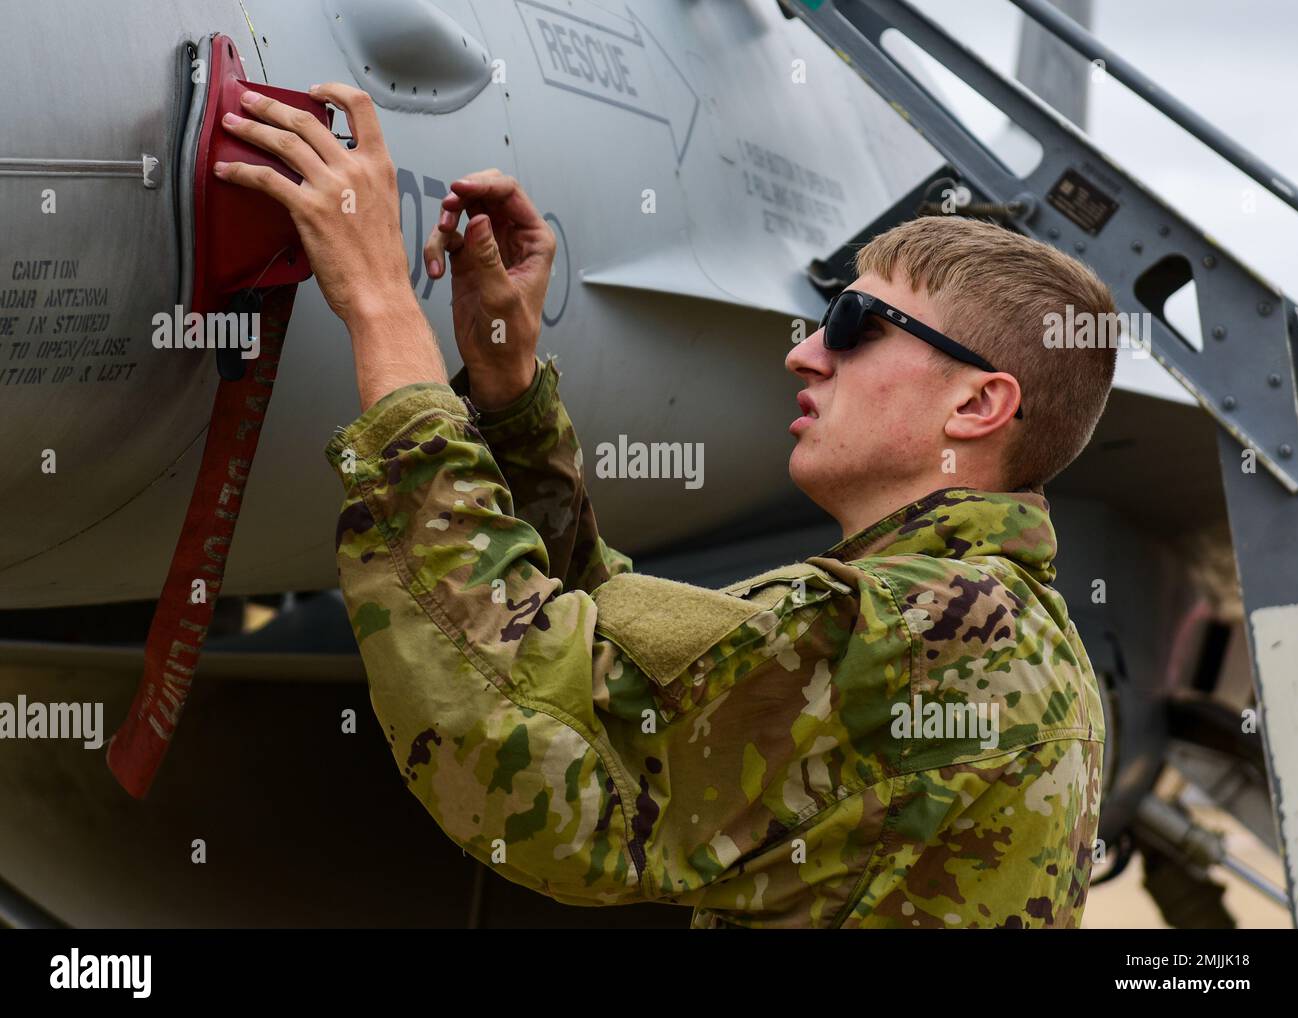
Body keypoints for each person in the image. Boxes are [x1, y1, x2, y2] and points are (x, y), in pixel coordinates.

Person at [217, 82, 1110, 928]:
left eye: (853, 327)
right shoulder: (994, 622)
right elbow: (619, 665)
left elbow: (528, 756)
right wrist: (511, 388)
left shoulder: (920, 631)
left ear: (977, 406)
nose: (805, 354)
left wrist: (379, 304)